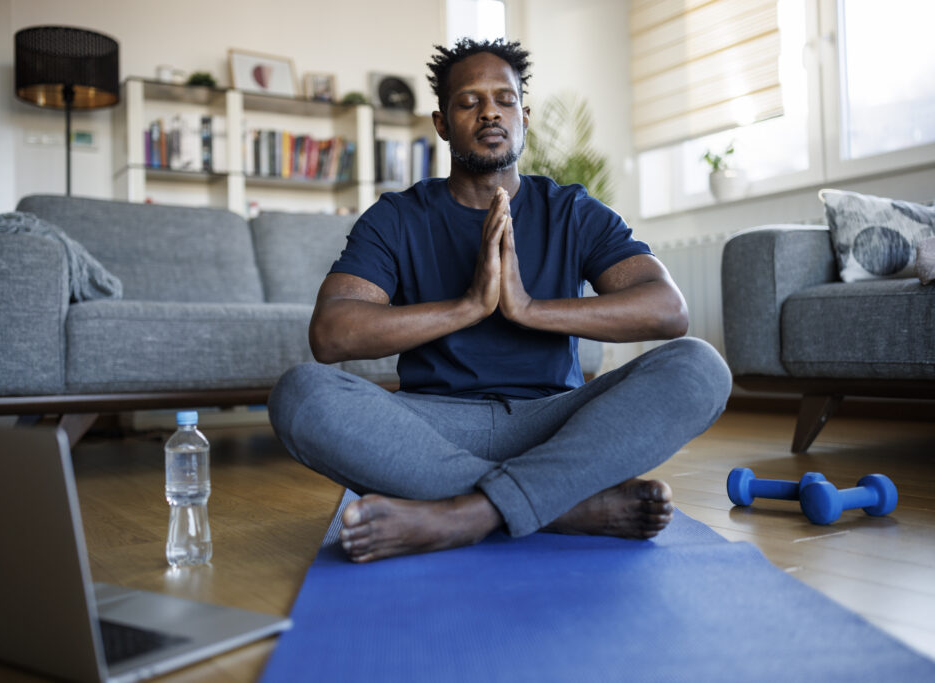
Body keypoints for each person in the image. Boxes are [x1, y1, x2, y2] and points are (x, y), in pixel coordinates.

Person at [268, 38, 731, 563]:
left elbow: (667, 311)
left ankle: (465, 515)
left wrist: (527, 309)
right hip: (432, 429)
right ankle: (562, 508)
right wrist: (468, 305)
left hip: (553, 422)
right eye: (468, 101)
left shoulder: (573, 211)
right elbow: (331, 335)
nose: (490, 111)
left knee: (700, 367)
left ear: (524, 117)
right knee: (301, 393)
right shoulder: (396, 217)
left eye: (504, 99)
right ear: (442, 123)